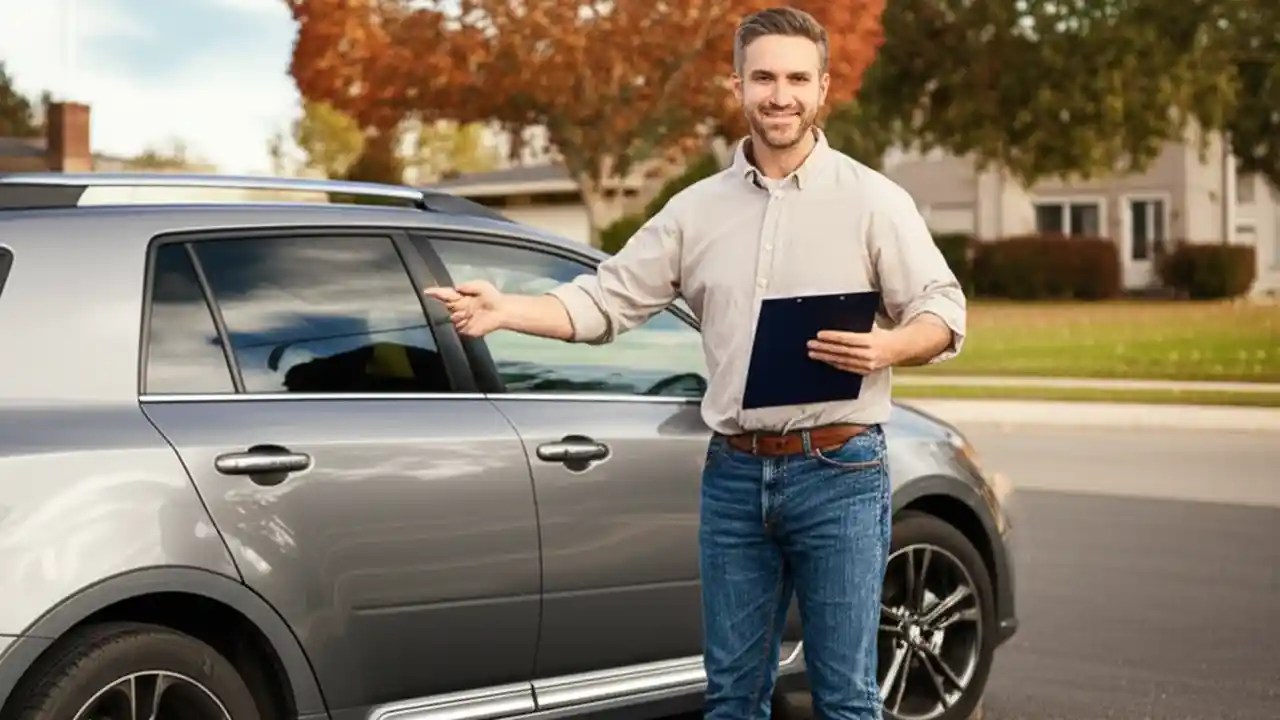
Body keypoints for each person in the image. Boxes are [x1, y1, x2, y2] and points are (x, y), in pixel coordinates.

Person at [424, 7, 966, 719]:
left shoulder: (873, 201)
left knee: (845, 700)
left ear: (824, 87)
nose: (781, 95)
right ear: (736, 83)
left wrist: (890, 345)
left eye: (798, 79)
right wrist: (508, 309)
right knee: (733, 697)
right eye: (764, 77)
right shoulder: (694, 211)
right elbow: (604, 300)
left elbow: (943, 309)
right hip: (735, 478)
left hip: (840, 472)